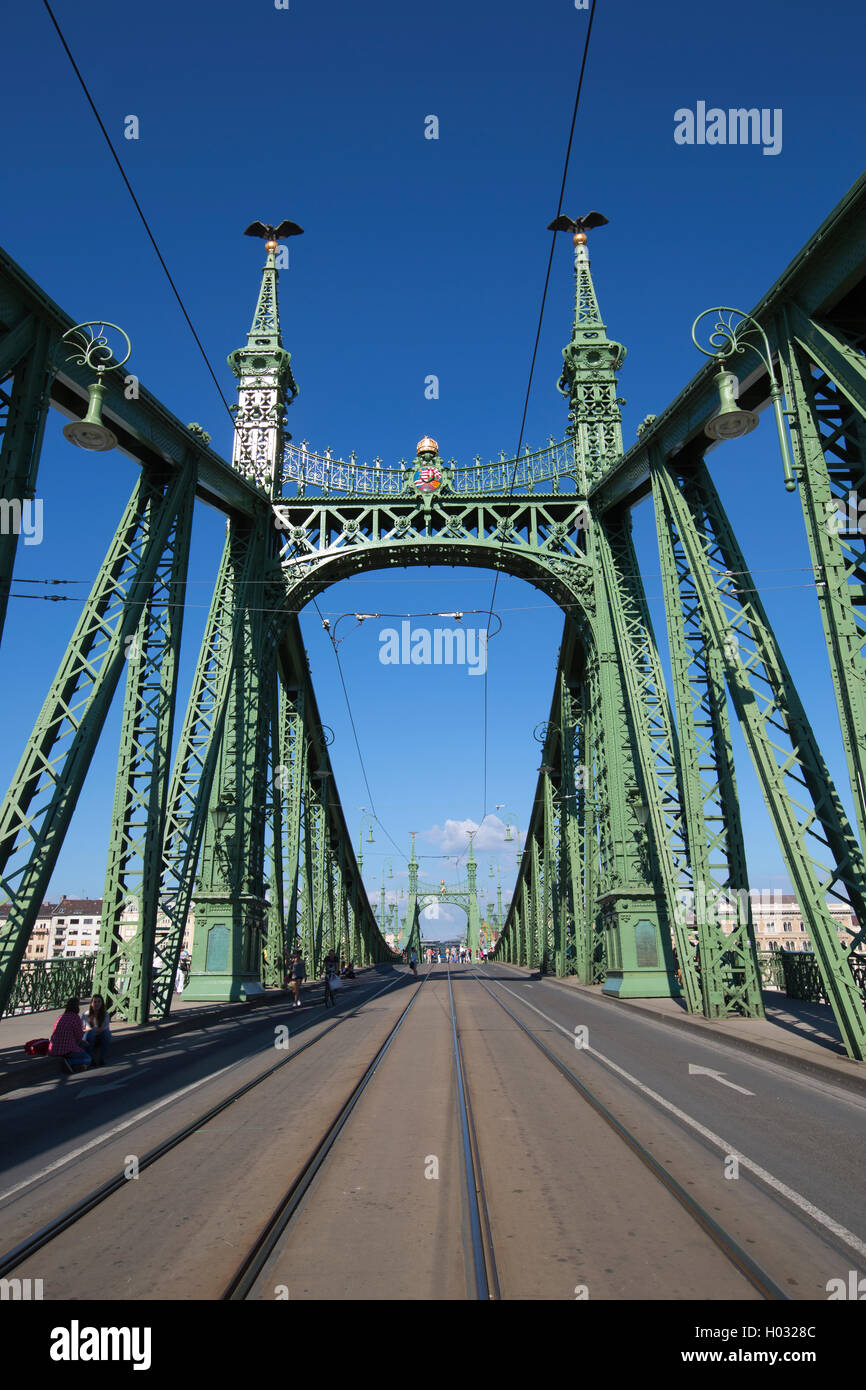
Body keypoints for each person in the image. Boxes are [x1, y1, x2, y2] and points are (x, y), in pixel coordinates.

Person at [49, 998, 91, 1073]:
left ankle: (73, 1064)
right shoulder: (75, 1018)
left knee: (80, 1049)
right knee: (88, 1058)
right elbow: (79, 1037)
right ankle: (70, 1063)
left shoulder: (60, 1017)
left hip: (54, 1048)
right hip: (67, 1050)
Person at [82, 994, 111, 1068]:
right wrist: (92, 1029)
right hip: (90, 1036)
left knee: (107, 1034)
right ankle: (91, 1059)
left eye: (99, 1002)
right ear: (91, 1003)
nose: (97, 1004)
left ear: (102, 1003)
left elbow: (106, 1028)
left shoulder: (105, 1014)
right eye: (95, 1002)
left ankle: (102, 1058)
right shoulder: (86, 1014)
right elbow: (82, 1029)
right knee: (91, 1033)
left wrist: (97, 1030)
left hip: (100, 1035)